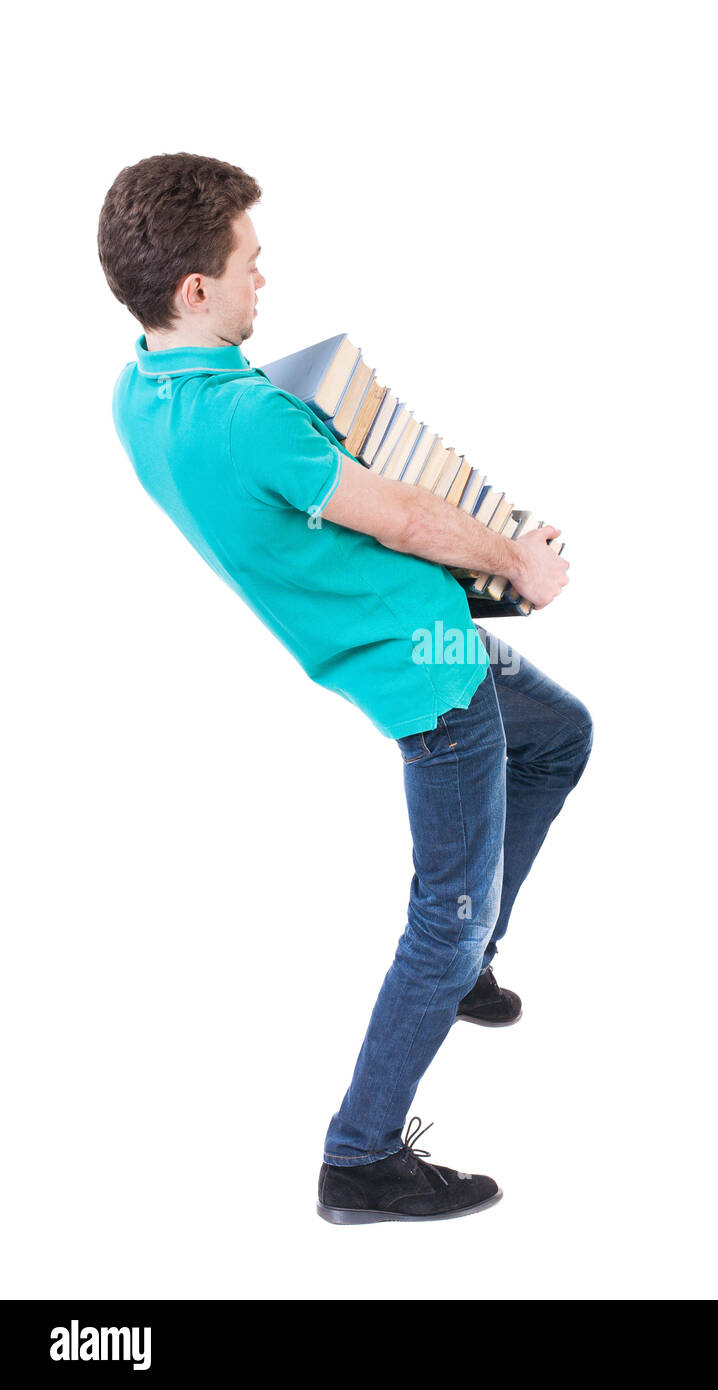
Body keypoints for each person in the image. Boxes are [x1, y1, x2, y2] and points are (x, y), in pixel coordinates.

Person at [99, 152, 594, 1224]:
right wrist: (518, 561)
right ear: (195, 290)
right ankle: (359, 1158)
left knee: (560, 735)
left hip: (400, 642)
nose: (262, 281)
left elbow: (288, 486)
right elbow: (406, 520)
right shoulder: (252, 420)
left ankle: (470, 958)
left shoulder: (140, 393)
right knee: (440, 915)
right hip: (425, 672)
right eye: (249, 263)